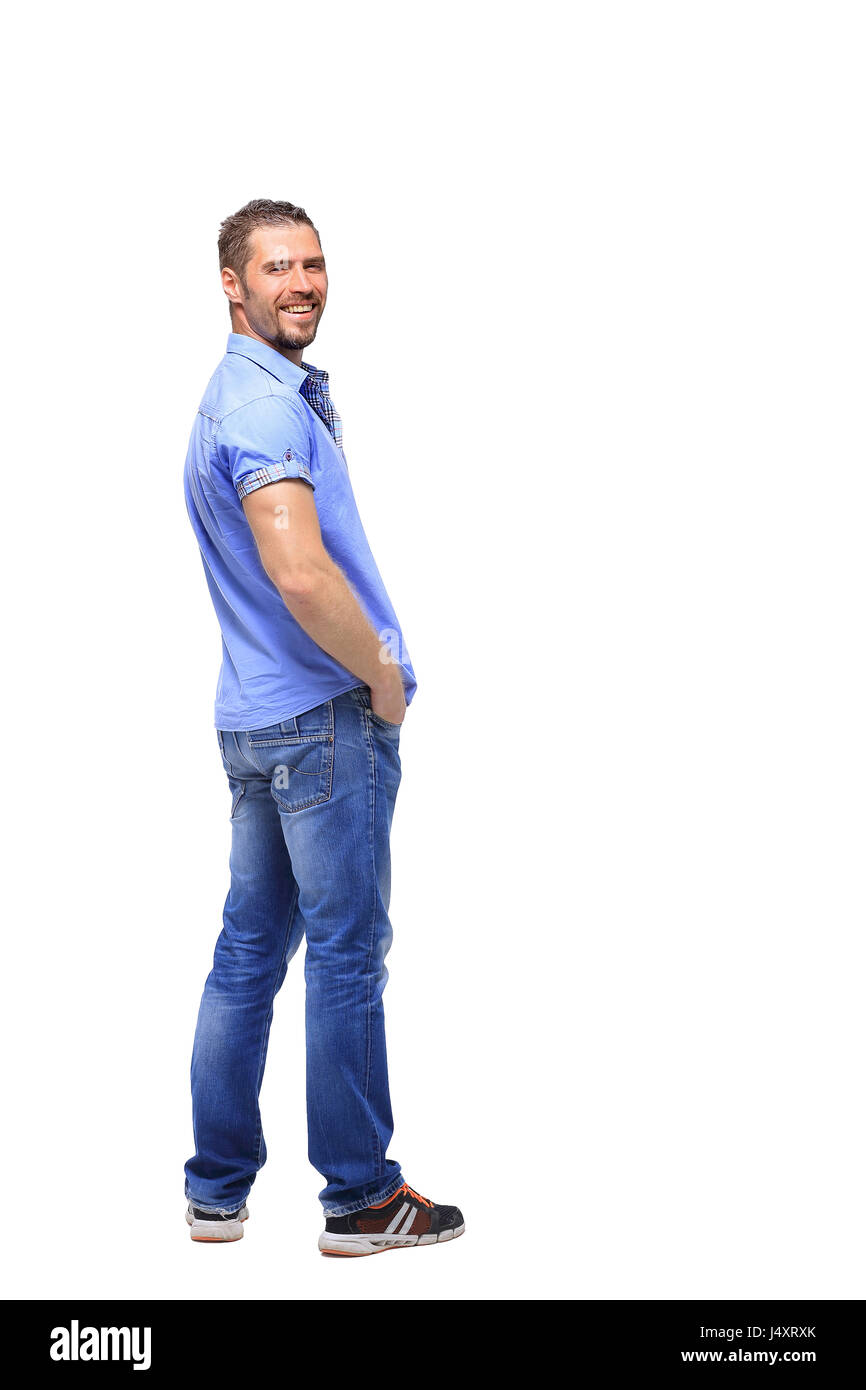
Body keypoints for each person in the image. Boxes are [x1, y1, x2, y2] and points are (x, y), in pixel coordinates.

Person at [181, 199, 464, 1256]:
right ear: (230, 282)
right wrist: (381, 675)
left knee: (247, 953)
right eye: (275, 267)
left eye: (311, 262)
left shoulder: (236, 396)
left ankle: (215, 1191)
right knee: (346, 954)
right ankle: (359, 1197)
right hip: (318, 725)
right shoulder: (260, 409)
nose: (301, 282)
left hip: (257, 722)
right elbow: (298, 571)